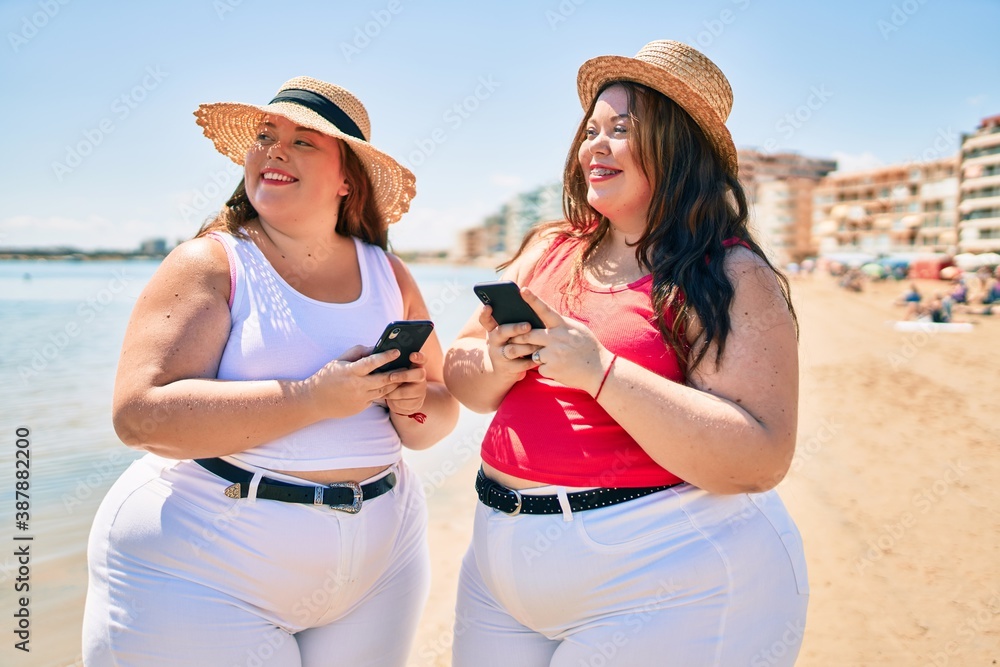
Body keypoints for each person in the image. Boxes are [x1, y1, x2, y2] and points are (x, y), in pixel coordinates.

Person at [444, 41, 808, 665]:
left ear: (676, 150)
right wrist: (498, 363)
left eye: (621, 130)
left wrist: (600, 372)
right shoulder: (551, 246)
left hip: (664, 577)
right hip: (496, 569)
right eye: (592, 130)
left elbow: (761, 457)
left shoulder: (730, 273)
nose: (596, 145)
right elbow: (464, 374)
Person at [82, 77, 459, 666]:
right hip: (203, 571)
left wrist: (413, 400)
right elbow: (138, 416)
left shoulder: (390, 274)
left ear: (346, 181)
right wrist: (312, 398)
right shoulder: (211, 262)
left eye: (304, 141)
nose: (275, 149)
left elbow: (434, 419)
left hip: (379, 572)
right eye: (266, 135)